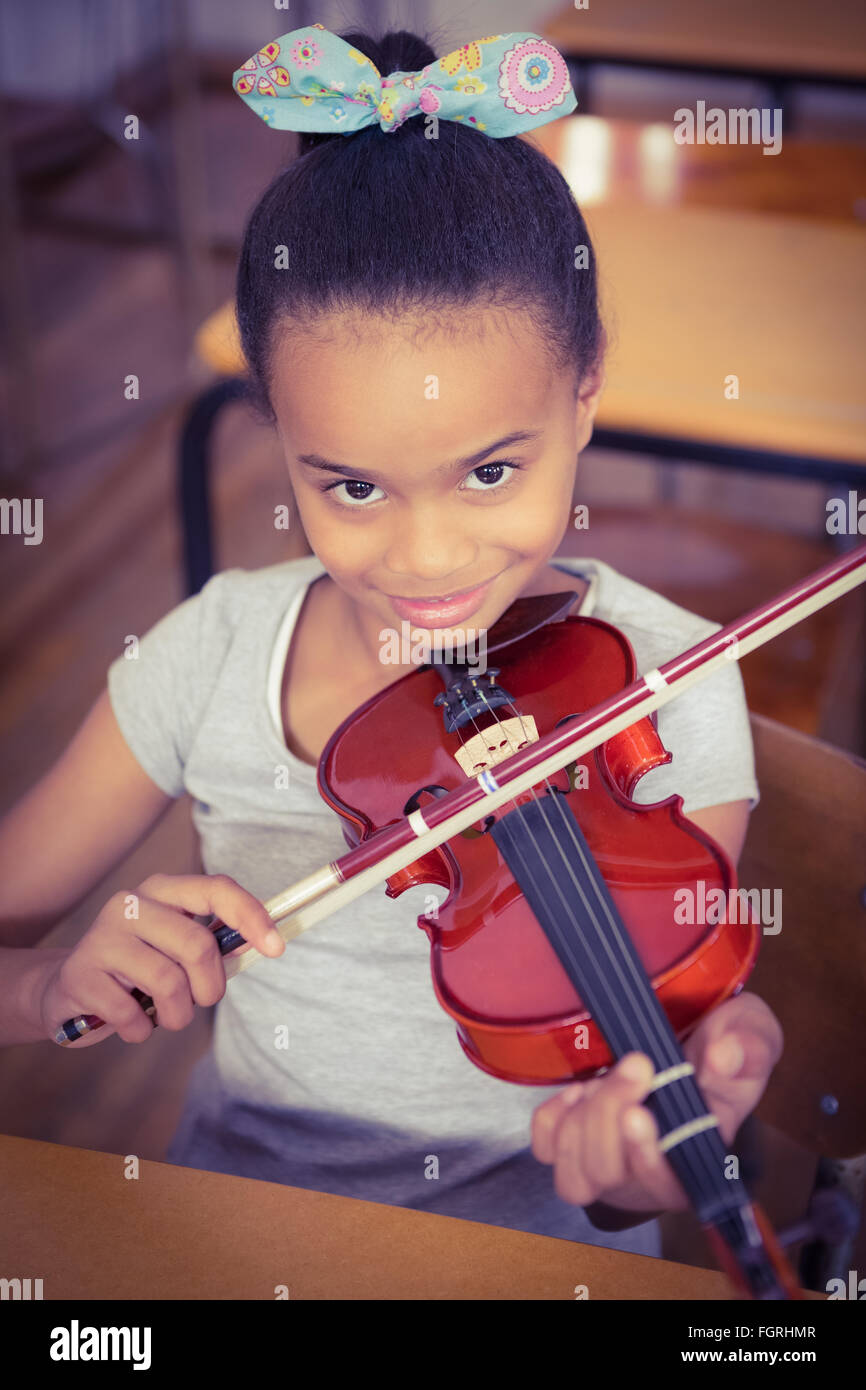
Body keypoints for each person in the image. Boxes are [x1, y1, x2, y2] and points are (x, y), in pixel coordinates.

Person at [0, 25, 782, 1263]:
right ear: (276, 428)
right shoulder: (210, 654)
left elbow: (650, 1083)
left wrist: (638, 1160)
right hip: (230, 1238)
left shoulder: (664, 684)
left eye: (489, 471)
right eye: (352, 487)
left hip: (534, 1266)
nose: (425, 558)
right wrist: (45, 987)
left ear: (583, 391)